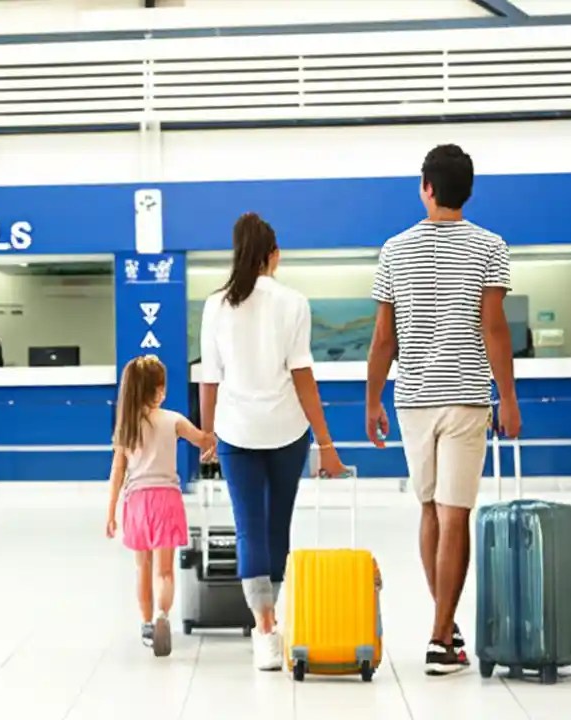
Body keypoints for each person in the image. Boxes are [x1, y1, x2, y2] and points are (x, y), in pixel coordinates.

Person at [364, 144, 521, 676]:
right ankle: (440, 636)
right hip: (467, 396)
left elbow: (383, 338)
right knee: (456, 515)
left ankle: (444, 630)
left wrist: (372, 401)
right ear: (467, 190)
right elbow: (494, 329)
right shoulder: (491, 247)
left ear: (427, 188)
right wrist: (509, 398)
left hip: (413, 399)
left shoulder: (394, 249)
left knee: (430, 510)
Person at [198, 212, 345, 671]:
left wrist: (207, 435)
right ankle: (272, 619)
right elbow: (303, 377)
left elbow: (209, 379)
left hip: (236, 432)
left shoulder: (216, 304)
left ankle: (264, 629)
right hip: (287, 432)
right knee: (277, 524)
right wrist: (326, 443)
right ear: (272, 255)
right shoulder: (293, 302)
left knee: (249, 527)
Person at [105, 355, 213, 657]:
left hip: (138, 501)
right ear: (157, 390)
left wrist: (110, 512)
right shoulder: (173, 419)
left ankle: (146, 623)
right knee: (165, 571)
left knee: (143, 567)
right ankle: (163, 616)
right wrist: (213, 440)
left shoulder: (126, 428)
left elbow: (117, 472)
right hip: (167, 498)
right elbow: (203, 440)